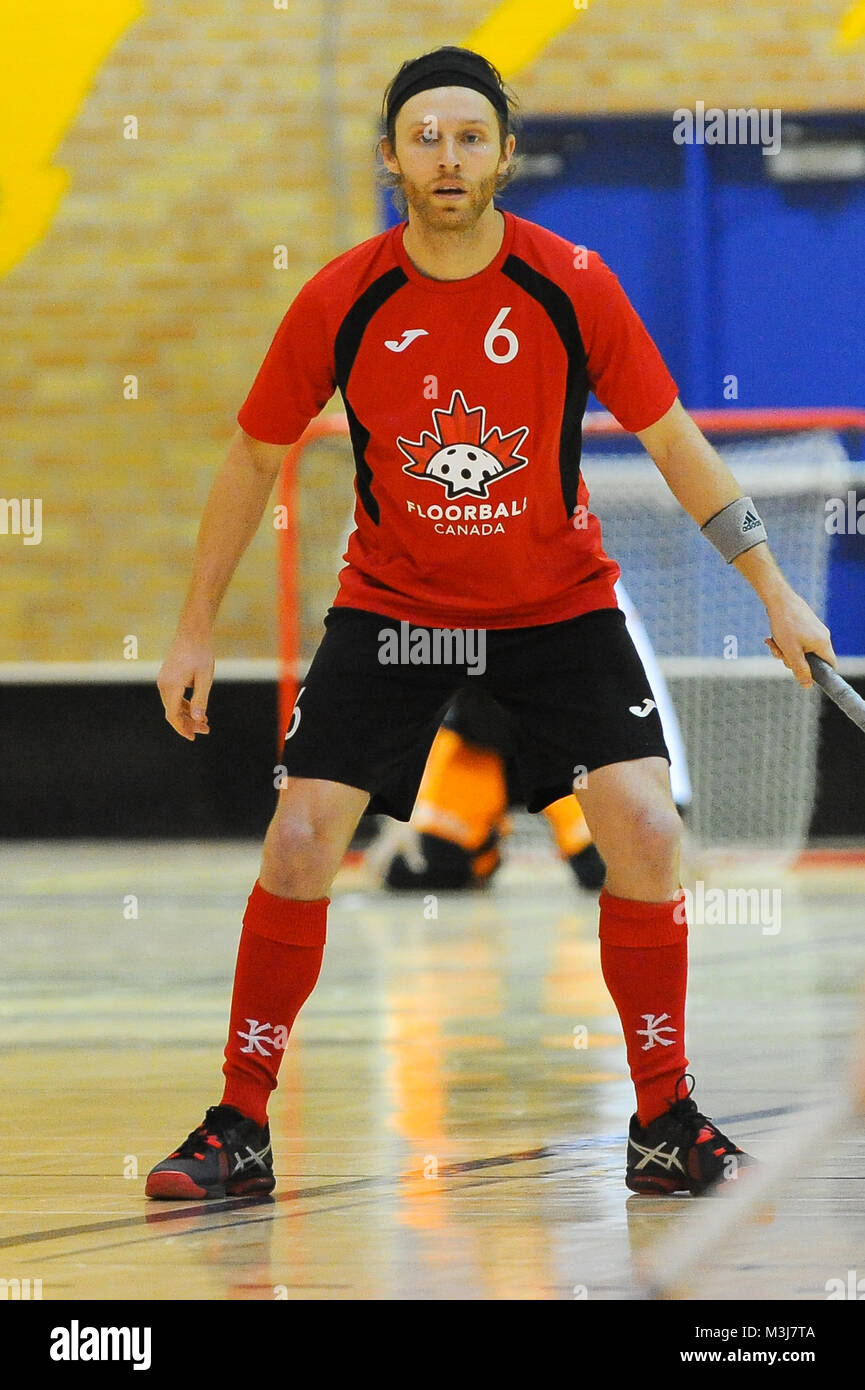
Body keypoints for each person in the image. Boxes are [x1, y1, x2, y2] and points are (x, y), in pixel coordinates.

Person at [147, 46, 836, 1201]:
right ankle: (239, 1123)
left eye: (471, 136)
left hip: (554, 607)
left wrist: (774, 588)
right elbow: (256, 455)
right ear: (392, 158)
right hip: (391, 605)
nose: (449, 156)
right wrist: (191, 628)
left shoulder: (571, 280)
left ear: (506, 155)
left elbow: (673, 439)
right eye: (426, 136)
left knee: (645, 832)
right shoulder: (339, 295)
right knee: (303, 841)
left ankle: (664, 1119)